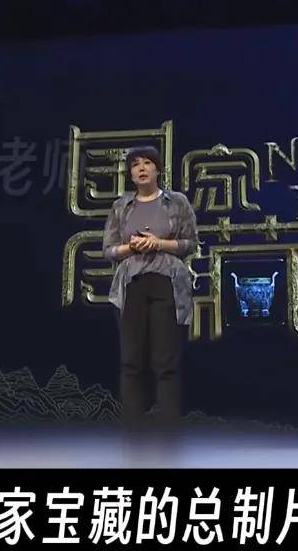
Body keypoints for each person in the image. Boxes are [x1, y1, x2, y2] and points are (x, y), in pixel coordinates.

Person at [102, 146, 198, 429]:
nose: (141, 168)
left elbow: (191, 243)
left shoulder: (176, 202)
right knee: (131, 358)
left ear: (158, 169)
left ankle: (168, 423)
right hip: (132, 284)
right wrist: (130, 247)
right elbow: (109, 250)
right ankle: (133, 423)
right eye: (135, 164)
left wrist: (159, 243)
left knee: (165, 358)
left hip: (166, 282)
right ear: (130, 173)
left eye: (147, 163)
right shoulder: (121, 206)